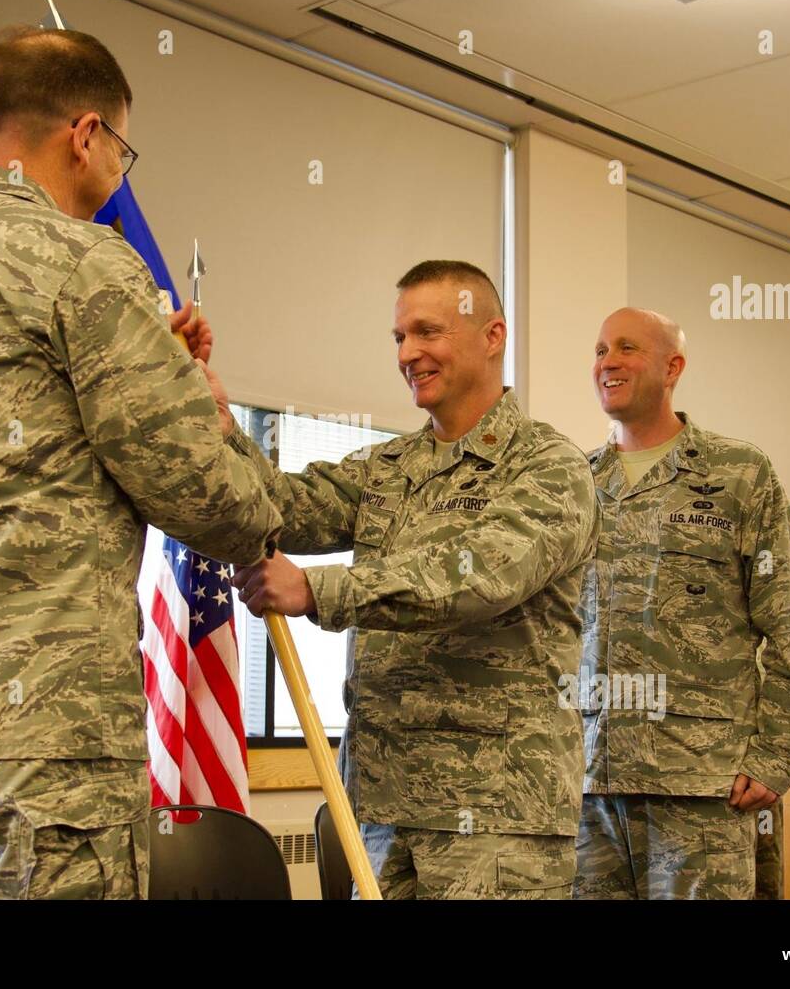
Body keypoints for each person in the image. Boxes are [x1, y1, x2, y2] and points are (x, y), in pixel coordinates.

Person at [0, 26, 280, 899]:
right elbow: (209, 501)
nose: (120, 173)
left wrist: (143, 358)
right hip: (40, 722)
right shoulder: (86, 262)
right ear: (85, 133)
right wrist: (207, 410)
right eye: (121, 148)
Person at [226, 260, 598, 899]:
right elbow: (276, 504)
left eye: (427, 332)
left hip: (497, 816)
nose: (409, 353)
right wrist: (214, 426)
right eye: (399, 337)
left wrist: (319, 590)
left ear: (492, 335)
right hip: (381, 804)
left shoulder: (550, 466)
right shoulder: (386, 467)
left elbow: (477, 578)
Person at [573, 306, 790, 900]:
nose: (607, 361)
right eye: (598, 349)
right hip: (587, 787)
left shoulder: (739, 474)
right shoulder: (571, 485)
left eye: (627, 348)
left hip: (703, 789)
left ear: (673, 367)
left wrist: (776, 756)